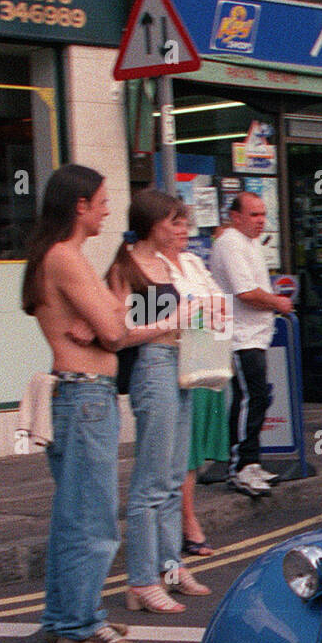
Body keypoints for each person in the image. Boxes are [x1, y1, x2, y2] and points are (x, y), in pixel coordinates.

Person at [21, 165, 140, 643]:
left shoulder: (61, 257)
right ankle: (79, 626)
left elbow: (112, 320)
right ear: (80, 206)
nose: (108, 208)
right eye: (103, 199)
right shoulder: (66, 258)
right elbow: (116, 332)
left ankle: (63, 615)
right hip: (85, 396)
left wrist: (110, 313)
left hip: (80, 397)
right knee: (92, 519)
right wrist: (114, 312)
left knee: (76, 515)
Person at [106, 190, 211, 613]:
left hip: (180, 361)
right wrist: (173, 320)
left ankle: (169, 569)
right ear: (153, 224)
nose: (183, 230)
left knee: (172, 477)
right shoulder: (125, 267)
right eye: (175, 223)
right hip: (153, 365)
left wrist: (201, 316)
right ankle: (142, 580)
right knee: (150, 481)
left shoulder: (167, 265)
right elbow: (119, 333)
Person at [209, 192, 294, 496]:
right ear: (236, 217)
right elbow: (246, 293)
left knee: (258, 398)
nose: (261, 220)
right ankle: (240, 468)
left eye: (262, 214)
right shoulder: (230, 243)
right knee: (250, 398)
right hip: (240, 335)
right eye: (254, 215)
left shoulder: (249, 243)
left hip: (255, 334)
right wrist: (278, 303)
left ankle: (251, 462)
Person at [172, 222, 231, 558]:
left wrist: (200, 309)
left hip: (206, 360)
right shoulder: (149, 266)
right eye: (176, 224)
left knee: (196, 450)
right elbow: (151, 315)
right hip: (178, 365)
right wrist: (200, 309)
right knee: (184, 450)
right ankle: (186, 522)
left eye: (185, 224)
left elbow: (220, 303)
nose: (184, 231)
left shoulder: (192, 263)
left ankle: (184, 520)